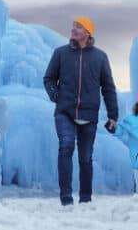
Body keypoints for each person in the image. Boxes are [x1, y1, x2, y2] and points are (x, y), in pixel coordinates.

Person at [42, 16, 119, 205]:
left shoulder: (100, 57)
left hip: (89, 114)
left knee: (86, 157)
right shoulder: (61, 53)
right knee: (66, 147)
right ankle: (66, 198)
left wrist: (112, 115)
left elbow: (108, 87)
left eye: (78, 27)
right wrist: (56, 96)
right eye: (73, 26)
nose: (73, 29)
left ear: (88, 32)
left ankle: (85, 199)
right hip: (65, 112)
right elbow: (49, 78)